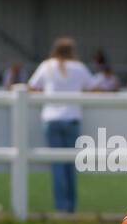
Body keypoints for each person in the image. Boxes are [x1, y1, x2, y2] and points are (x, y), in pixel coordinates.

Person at [27, 37, 95, 213]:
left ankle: (61, 208)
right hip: (72, 119)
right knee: (71, 165)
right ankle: (71, 207)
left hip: (51, 118)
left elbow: (32, 87)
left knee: (57, 165)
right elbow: (93, 87)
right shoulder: (79, 67)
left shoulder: (46, 66)